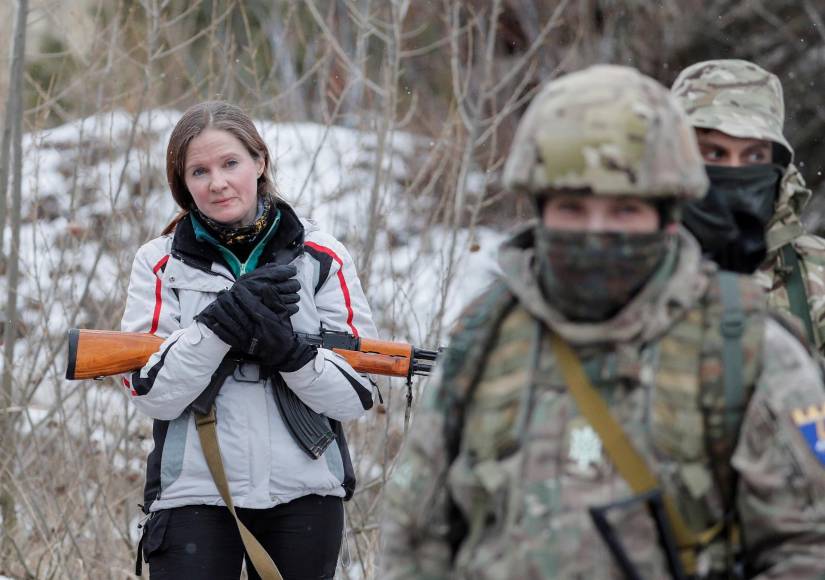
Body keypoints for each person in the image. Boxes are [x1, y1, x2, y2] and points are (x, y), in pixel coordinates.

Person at [380, 65, 825, 579]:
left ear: (668, 215)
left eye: (624, 210)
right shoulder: (485, 336)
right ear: (540, 208)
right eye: (574, 207)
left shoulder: (746, 349)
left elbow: (807, 549)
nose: (597, 234)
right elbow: (415, 541)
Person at [121, 101, 377, 579]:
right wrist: (217, 326)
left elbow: (354, 396)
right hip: (192, 494)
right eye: (199, 171)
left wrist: (289, 351)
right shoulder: (159, 263)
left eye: (230, 163)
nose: (217, 182)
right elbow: (152, 393)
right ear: (183, 184)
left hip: (305, 494)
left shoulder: (321, 256)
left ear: (259, 162)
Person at [671, 59, 825, 353]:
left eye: (753, 157)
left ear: (776, 165)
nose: (734, 171)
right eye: (715, 154)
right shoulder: (634, 261)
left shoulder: (815, 274)